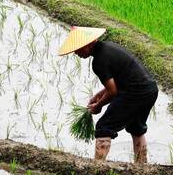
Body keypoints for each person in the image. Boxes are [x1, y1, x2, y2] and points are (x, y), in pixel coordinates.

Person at [57, 26, 158, 165]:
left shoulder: (98, 61)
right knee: (136, 127)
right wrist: (98, 97)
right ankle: (141, 167)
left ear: (89, 44)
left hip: (135, 93)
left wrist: (98, 106)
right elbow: (115, 84)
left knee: (104, 127)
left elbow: (113, 92)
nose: (76, 52)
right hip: (150, 90)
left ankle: (97, 167)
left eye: (78, 48)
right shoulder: (107, 48)